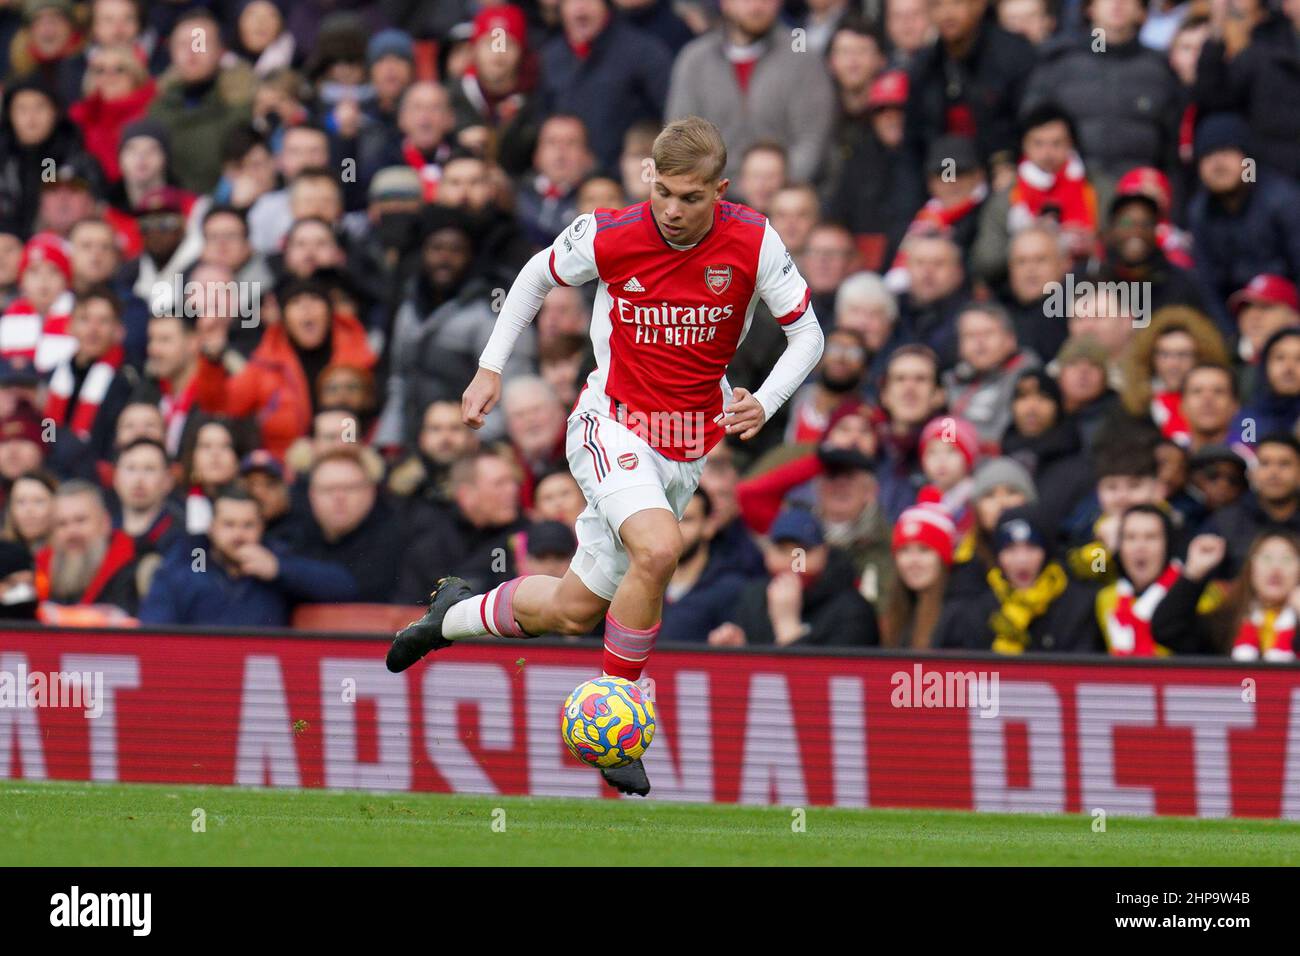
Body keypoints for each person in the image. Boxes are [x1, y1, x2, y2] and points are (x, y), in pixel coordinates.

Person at [386, 116, 824, 798]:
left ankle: (450, 614)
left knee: (572, 610)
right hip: (610, 423)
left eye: (691, 197)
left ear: (720, 190)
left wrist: (765, 401)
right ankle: (617, 713)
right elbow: (534, 277)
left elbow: (808, 336)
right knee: (658, 549)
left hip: (684, 449)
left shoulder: (754, 239)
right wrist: (490, 368)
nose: (674, 211)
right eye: (664, 193)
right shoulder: (611, 233)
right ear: (649, 179)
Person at [140, 485, 359, 627]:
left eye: (248, 525)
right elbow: (154, 634)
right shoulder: (183, 568)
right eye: (229, 524)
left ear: (262, 528)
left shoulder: (277, 562)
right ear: (212, 528)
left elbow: (344, 587)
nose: (238, 534)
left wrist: (279, 570)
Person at [933, 505, 1103, 653]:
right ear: (997, 556)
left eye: (1031, 547)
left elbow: (1101, 568)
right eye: (1010, 549)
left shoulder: (1078, 603)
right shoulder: (979, 611)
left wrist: (1103, 551)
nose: (1021, 560)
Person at [712, 508, 879, 648]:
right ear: (768, 554)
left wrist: (788, 626)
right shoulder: (753, 597)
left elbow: (833, 680)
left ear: (824, 554)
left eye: (803, 551)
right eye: (782, 550)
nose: (792, 563)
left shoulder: (853, 610)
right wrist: (739, 652)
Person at [659, 489, 750, 643]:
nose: (674, 529)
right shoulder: (638, 583)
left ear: (709, 526)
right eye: (669, 519)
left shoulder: (732, 589)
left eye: (686, 520)